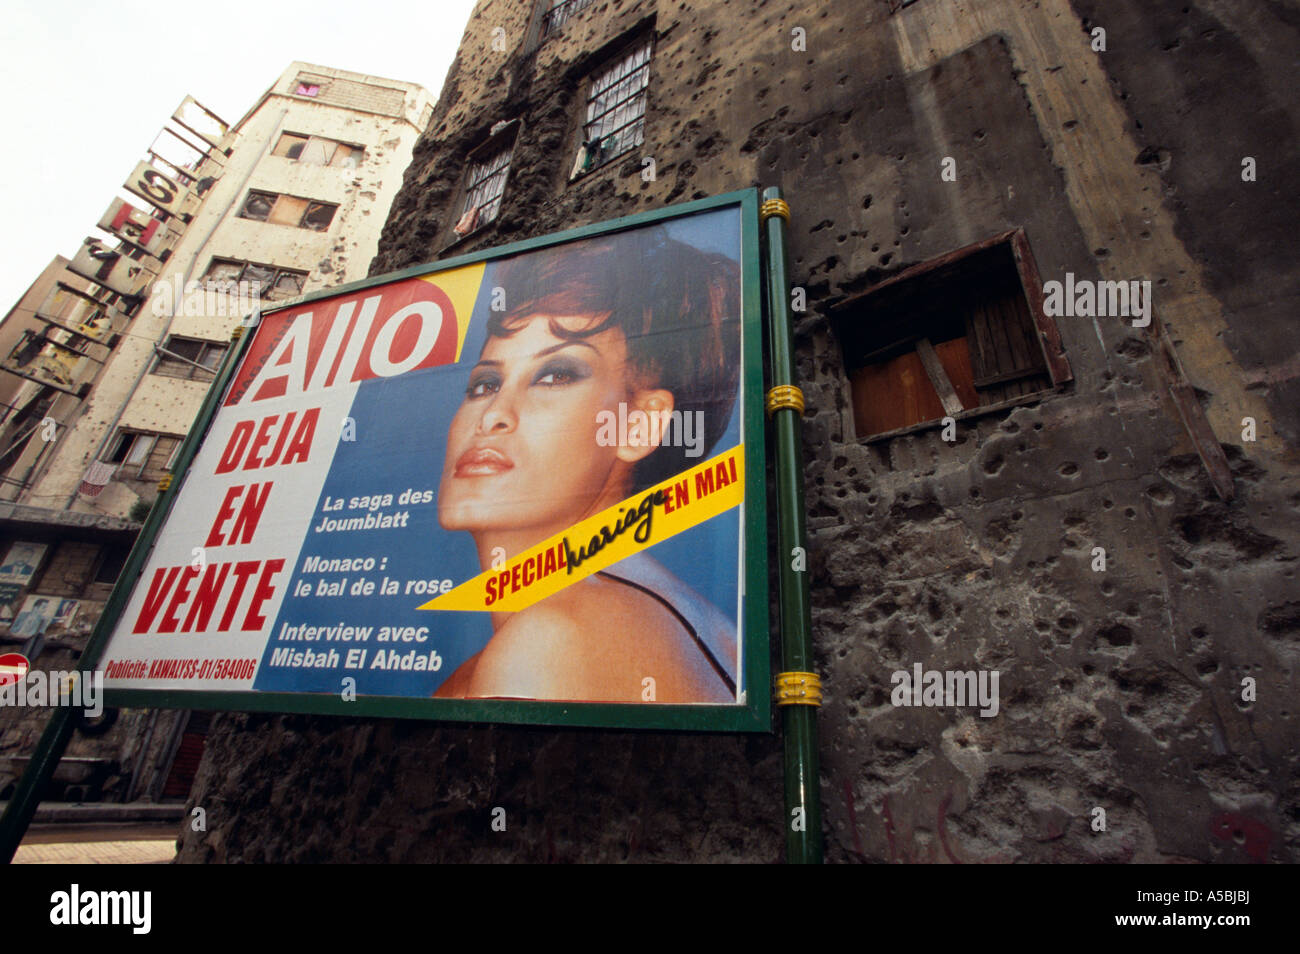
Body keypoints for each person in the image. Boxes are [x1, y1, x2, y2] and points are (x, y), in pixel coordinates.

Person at [434, 227, 741, 704]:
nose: (493, 414)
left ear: (639, 424)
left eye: (555, 375)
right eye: (484, 383)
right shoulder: (692, 625)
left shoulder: (548, 643)